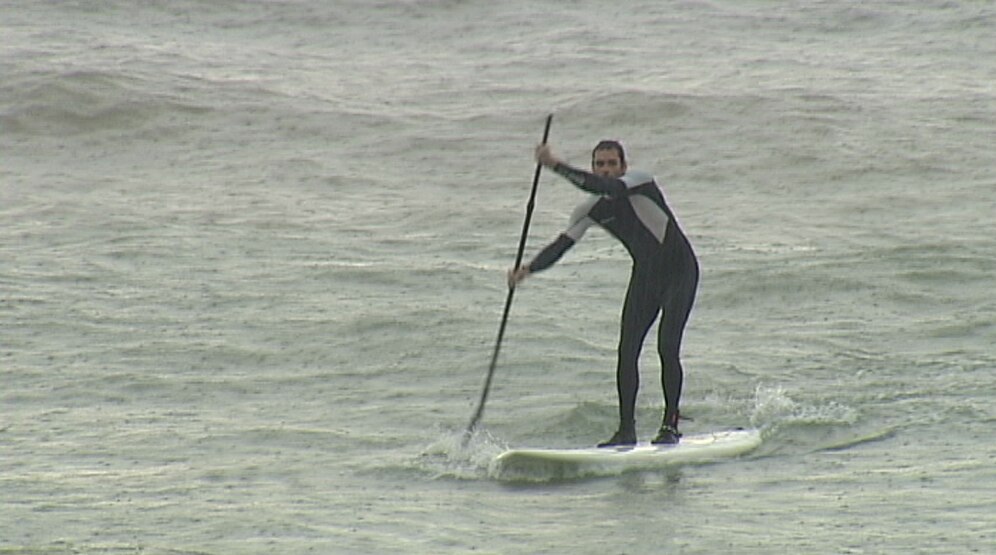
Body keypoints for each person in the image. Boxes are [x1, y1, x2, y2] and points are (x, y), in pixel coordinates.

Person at [508, 140, 699, 446]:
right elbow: (562, 245)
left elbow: (608, 188)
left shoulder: (639, 182)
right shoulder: (591, 210)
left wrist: (555, 164)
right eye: (600, 164)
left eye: (612, 164)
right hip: (646, 278)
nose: (607, 170)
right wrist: (528, 269)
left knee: (667, 346)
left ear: (623, 166)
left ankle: (670, 424)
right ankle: (626, 431)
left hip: (681, 272)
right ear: (594, 166)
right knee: (626, 351)